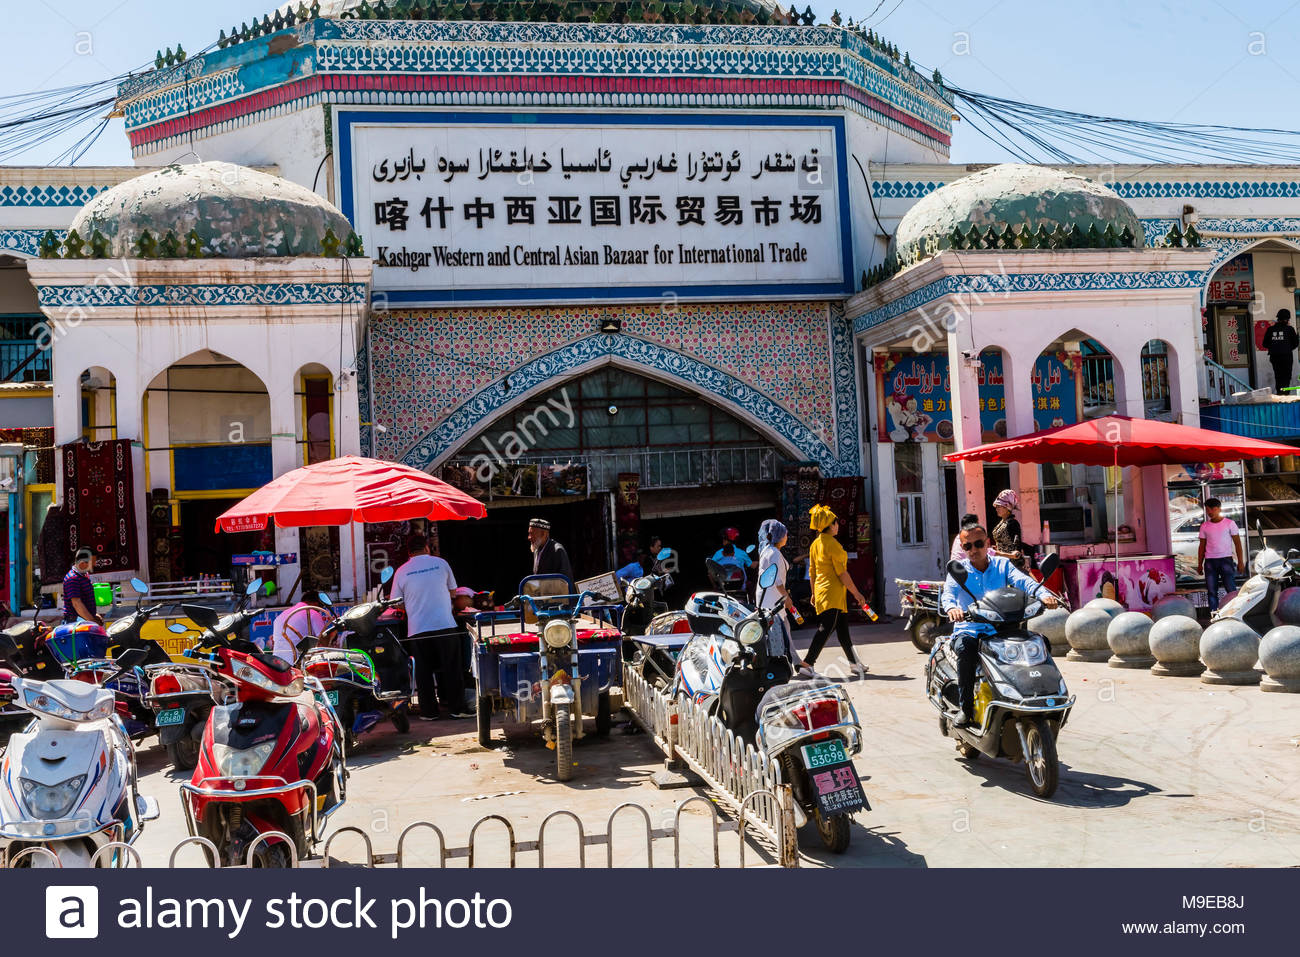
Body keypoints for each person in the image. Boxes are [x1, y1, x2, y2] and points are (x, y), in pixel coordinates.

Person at [942, 524, 1060, 728]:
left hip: (1002, 627)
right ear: (963, 548)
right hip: (971, 629)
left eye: (978, 544)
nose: (973, 550)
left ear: (987, 544)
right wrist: (953, 609)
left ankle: (1041, 694)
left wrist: (1044, 594)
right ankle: (966, 708)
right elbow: (948, 595)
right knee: (965, 650)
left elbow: (1025, 582)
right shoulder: (958, 570)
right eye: (968, 546)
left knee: (1039, 643)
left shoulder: (1002, 565)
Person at [392, 533, 469, 719]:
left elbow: (395, 602)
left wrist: (411, 604)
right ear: (427, 547)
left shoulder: (401, 571)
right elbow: (453, 592)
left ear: (409, 552)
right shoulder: (441, 563)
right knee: (452, 668)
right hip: (445, 624)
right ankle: (457, 708)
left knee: (424, 672)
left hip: (418, 629)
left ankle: (428, 712)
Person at [803, 504, 869, 679]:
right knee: (825, 629)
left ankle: (855, 664)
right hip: (832, 593)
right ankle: (807, 662)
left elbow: (812, 572)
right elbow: (842, 574)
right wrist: (857, 593)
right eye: (836, 522)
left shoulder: (815, 544)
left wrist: (813, 593)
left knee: (842, 631)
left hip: (824, 592)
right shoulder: (833, 545)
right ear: (829, 525)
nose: (838, 525)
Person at [755, 518, 810, 675]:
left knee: (783, 630)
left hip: (768, 598)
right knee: (779, 633)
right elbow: (778, 581)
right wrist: (787, 598)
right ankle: (792, 665)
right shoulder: (774, 553)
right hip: (773, 600)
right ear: (779, 536)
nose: (787, 536)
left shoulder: (767, 551)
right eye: (785, 534)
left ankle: (796, 663)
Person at [1196, 497, 1245, 612]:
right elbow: (1201, 547)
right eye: (1208, 509)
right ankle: (1214, 614)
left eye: (1212, 509)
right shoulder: (1204, 526)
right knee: (1212, 591)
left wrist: (1241, 562)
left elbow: (1238, 544)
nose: (1210, 512)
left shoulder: (1230, 523)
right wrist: (1199, 564)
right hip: (1210, 562)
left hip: (1226, 561)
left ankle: (1235, 612)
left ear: (1218, 509)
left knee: (1231, 590)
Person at [270, 593, 331, 664]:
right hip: (298, 663)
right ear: (316, 604)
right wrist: (332, 634)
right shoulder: (313, 612)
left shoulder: (282, 615)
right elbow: (324, 640)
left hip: (278, 662)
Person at [62, 547, 102, 625]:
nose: (94, 564)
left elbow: (84, 599)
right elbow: (77, 604)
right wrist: (92, 621)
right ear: (82, 563)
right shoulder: (72, 579)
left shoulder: (83, 575)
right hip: (75, 624)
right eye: (92, 562)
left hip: (84, 620)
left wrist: (94, 615)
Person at [1263, 308, 1299, 394]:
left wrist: (1274, 347)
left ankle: (1280, 393)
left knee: (1278, 376)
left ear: (1278, 318)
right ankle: (1285, 395)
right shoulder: (1290, 329)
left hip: (1275, 357)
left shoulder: (1270, 329)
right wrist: (1286, 348)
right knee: (1286, 376)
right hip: (1286, 357)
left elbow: (1264, 344)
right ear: (1287, 319)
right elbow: (1296, 343)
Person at [990, 490, 1028, 570]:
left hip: (1010, 564)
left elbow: (1017, 547)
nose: (996, 509)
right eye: (996, 506)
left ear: (1007, 507)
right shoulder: (1002, 522)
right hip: (1000, 561)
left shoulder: (1012, 524)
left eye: (999, 506)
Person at [528, 518, 574, 582]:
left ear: (544, 534)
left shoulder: (557, 551)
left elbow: (564, 582)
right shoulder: (536, 549)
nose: (529, 537)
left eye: (532, 534)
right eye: (529, 533)